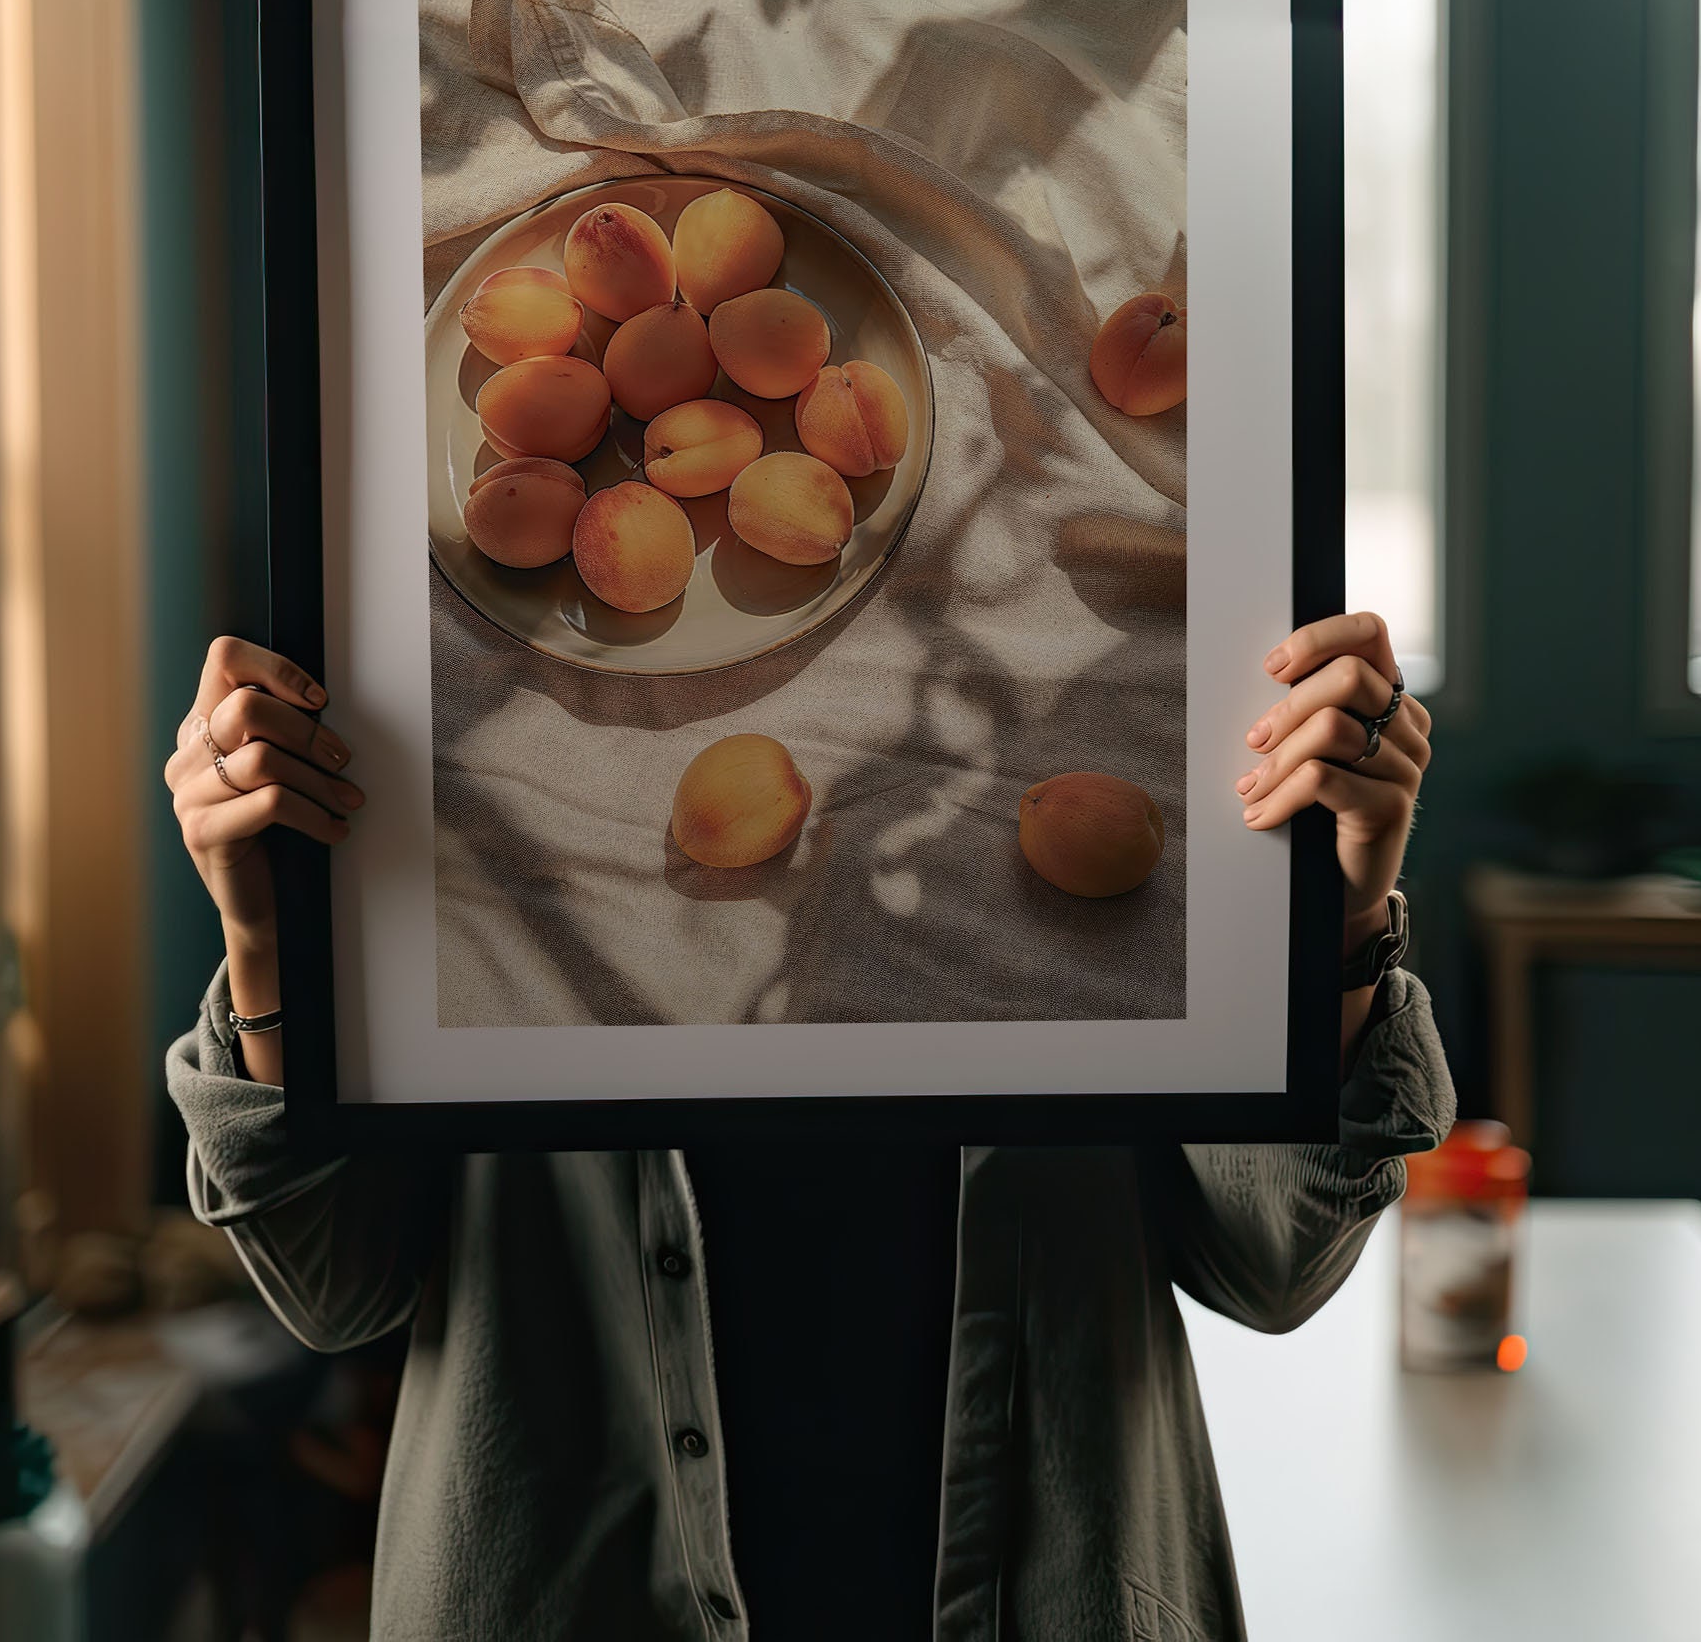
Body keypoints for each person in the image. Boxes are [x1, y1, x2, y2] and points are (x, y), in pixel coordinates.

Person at [167, 609, 1452, 1641]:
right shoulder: (500, 849)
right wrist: (271, 938)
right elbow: (334, 1284)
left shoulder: (1081, 878)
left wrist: (1330, 927)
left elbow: (1273, 1264)